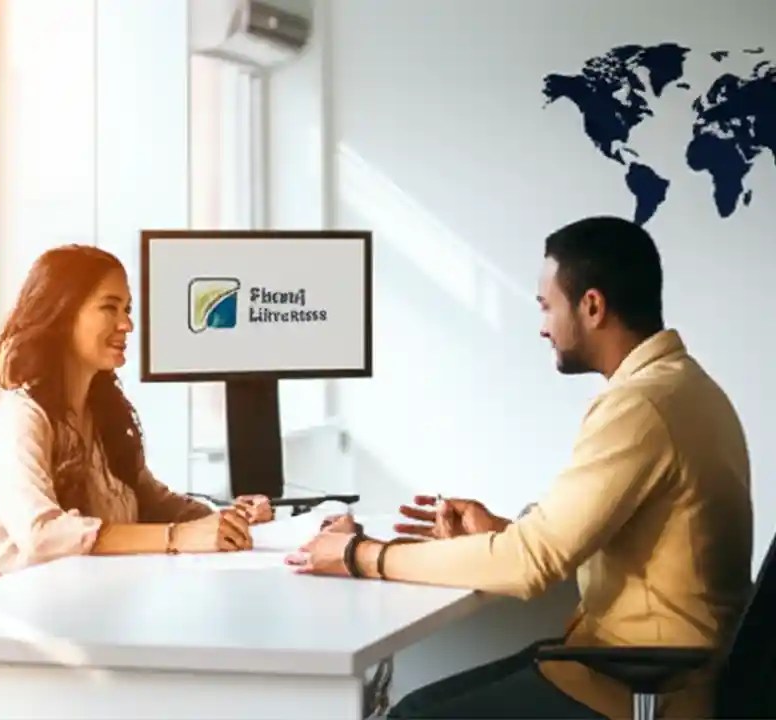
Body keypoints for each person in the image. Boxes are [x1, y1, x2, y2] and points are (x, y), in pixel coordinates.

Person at [287, 216, 753, 719]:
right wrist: (501, 532)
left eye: (546, 306)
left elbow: (532, 563)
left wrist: (362, 554)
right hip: (656, 668)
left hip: (641, 684)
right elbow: (582, 539)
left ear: (592, 306)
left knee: (413, 715)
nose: (541, 326)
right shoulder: (685, 386)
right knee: (423, 704)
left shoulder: (640, 406)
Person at [0, 244, 275, 580]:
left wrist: (228, 519)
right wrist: (176, 537)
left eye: (127, 309)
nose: (127, 324)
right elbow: (42, 534)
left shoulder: (102, 414)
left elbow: (155, 503)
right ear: (63, 313)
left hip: (88, 597)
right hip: (15, 606)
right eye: (109, 308)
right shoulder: (19, 418)